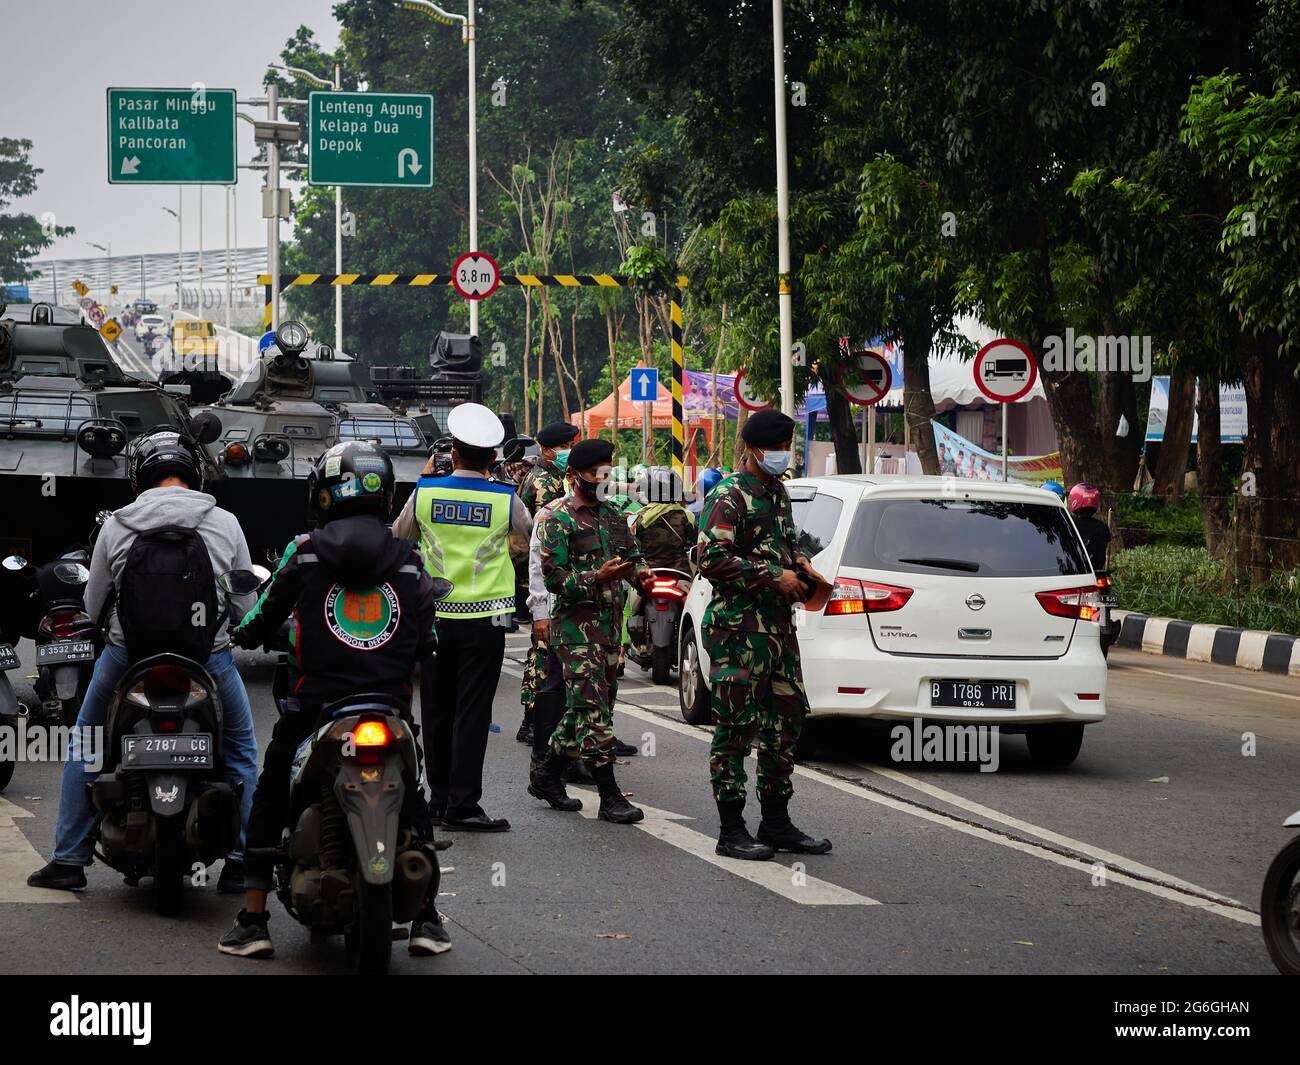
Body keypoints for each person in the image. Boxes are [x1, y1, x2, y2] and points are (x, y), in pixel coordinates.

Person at [218, 440, 448, 959]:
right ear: (386, 494)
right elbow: (427, 636)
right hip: (388, 707)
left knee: (272, 788)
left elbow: (260, 620)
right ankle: (428, 920)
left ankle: (253, 918)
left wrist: (244, 634)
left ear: (324, 495)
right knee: (411, 791)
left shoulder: (305, 551)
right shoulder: (409, 559)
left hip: (313, 706)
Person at [28, 429, 259, 894]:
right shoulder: (225, 521)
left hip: (126, 655)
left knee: (86, 744)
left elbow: (92, 606)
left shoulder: (117, 523)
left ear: (140, 476)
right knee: (241, 753)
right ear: (192, 472)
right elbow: (243, 604)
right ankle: (241, 865)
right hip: (207, 658)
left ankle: (69, 861)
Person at [697, 409, 832, 861]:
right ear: (755, 450)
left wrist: (799, 565)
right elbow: (710, 558)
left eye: (786, 447)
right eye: (777, 447)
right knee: (735, 730)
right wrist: (774, 576)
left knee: (785, 725)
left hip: (777, 631)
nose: (783, 454)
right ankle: (730, 829)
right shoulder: (728, 495)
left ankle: (775, 822)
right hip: (738, 631)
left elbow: (783, 542)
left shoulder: (777, 492)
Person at [393, 403, 531, 832]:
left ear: (452, 452)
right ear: (493, 459)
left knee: (434, 709)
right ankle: (464, 804)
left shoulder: (426, 492)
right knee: (472, 713)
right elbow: (528, 540)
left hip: (433, 618)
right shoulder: (506, 499)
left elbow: (399, 538)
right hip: (486, 620)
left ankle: (436, 800)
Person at [529, 439, 651, 823]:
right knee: (595, 711)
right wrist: (596, 577)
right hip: (575, 630)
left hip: (610, 627)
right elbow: (554, 579)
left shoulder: (614, 515)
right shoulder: (554, 518)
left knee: (590, 707)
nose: (603, 478)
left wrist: (644, 575)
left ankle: (547, 774)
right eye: (596, 472)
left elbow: (631, 560)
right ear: (574, 475)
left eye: (607, 471)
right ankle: (610, 796)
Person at [516, 422, 578, 746]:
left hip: (548, 574)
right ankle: (532, 718)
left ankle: (536, 717)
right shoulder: (543, 483)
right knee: (543, 648)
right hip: (542, 575)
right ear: (549, 448)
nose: (570, 449)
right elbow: (544, 539)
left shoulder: (553, 477)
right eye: (566, 444)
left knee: (545, 648)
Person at [626, 468, 694, 659]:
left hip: (648, 573)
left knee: (628, 608)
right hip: (680, 573)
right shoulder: (687, 516)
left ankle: (623, 651)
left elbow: (631, 545)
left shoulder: (640, 517)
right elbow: (695, 544)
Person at [1067, 482, 1111, 572]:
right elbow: (1106, 543)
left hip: (1075, 570)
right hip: (1096, 571)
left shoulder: (1069, 524)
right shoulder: (1102, 526)